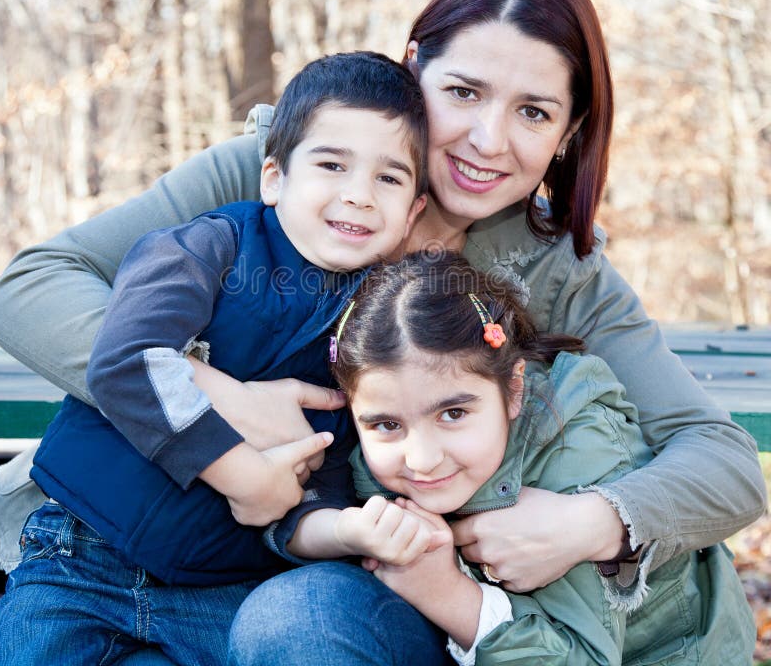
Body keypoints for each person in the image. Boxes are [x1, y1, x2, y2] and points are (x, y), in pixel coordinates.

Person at [0, 0, 765, 665]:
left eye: (533, 112)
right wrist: (222, 399)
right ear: (414, 67)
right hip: (191, 548)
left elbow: (725, 462)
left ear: (567, 132)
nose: (488, 140)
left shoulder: (560, 268)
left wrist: (587, 523)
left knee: (297, 619)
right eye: (463, 92)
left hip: (429, 599)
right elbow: (33, 289)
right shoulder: (289, 171)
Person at [0, 51, 429, 665]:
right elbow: (126, 359)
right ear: (273, 177)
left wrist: (344, 529)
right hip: (82, 556)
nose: (358, 195)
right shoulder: (209, 246)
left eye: (389, 178)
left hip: (224, 587)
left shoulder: (379, 323)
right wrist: (240, 472)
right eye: (332, 164)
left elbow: (319, 476)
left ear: (414, 211)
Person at [277, 251, 755, 665]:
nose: (421, 460)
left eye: (454, 413)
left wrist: (443, 593)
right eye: (386, 425)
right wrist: (344, 531)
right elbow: (288, 517)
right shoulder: (370, 449)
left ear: (514, 390)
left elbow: (582, 658)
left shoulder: (578, 451)